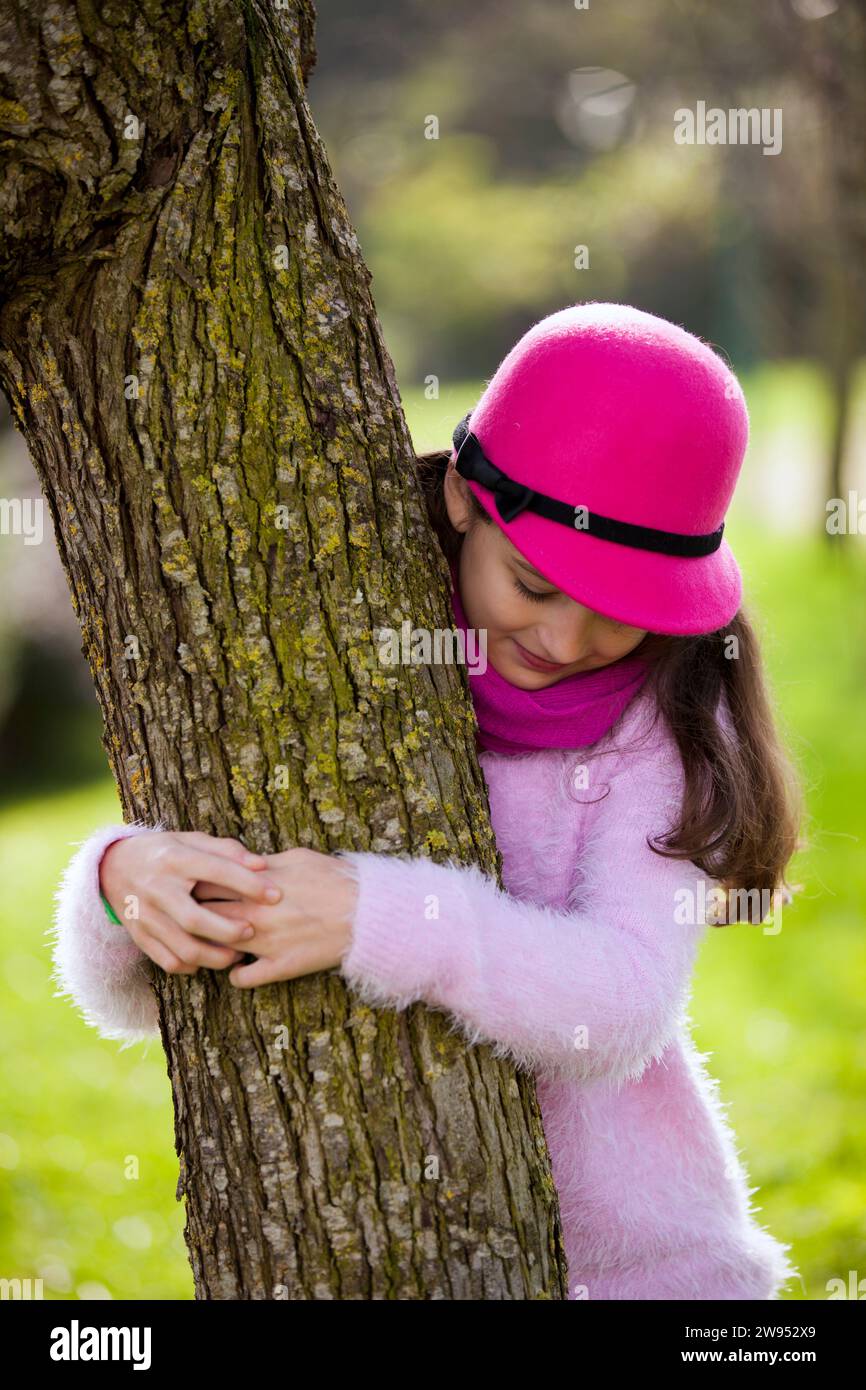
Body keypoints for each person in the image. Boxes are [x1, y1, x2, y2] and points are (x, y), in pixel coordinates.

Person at [50, 302, 804, 1300]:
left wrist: (380, 916)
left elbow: (622, 1002)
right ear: (460, 497)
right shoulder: (330, 642)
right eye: (533, 585)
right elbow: (142, 1002)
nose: (570, 641)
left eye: (618, 613)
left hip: (646, 1277)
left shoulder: (659, 726)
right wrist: (121, 882)